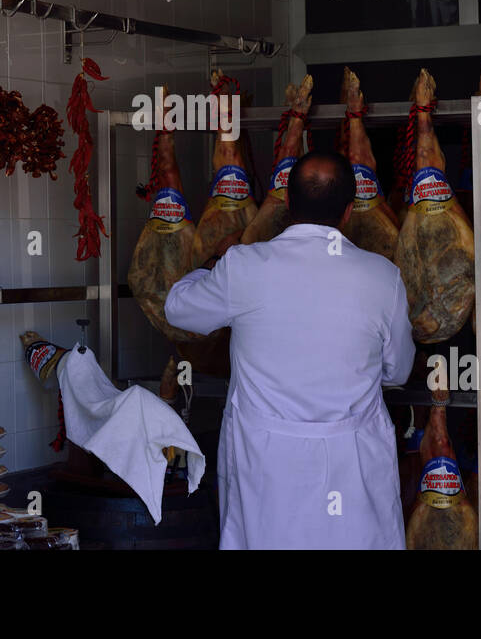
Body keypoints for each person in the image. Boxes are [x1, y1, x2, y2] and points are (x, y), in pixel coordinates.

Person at [165, 150, 414, 549]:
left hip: (266, 462)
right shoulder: (383, 277)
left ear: (288, 205)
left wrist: (216, 259)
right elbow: (398, 371)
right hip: (353, 460)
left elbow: (179, 308)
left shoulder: (244, 267)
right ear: (349, 211)